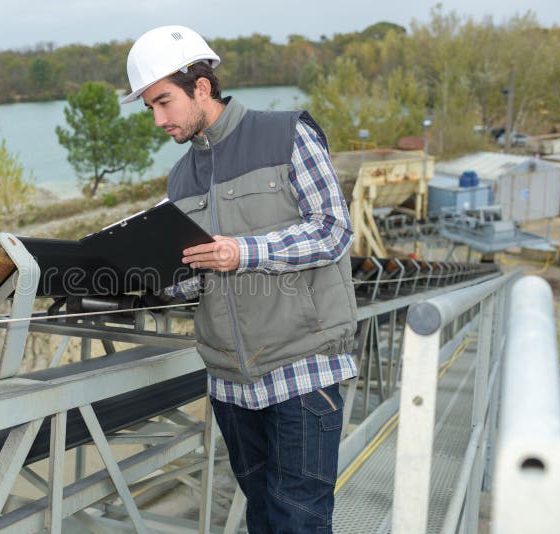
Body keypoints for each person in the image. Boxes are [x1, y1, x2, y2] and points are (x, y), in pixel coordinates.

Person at [123, 26, 358, 533]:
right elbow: (196, 278)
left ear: (201, 88)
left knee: (299, 525)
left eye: (164, 102)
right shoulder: (180, 179)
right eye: (150, 108)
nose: (159, 120)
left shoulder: (287, 133)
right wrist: (154, 277)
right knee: (264, 521)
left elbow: (334, 230)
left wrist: (244, 253)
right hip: (231, 387)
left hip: (302, 371)